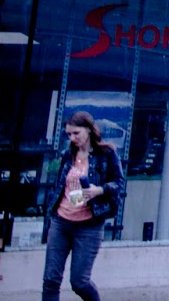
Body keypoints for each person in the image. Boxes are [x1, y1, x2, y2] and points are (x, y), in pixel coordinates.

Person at [42, 110, 124, 301]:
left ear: (88, 130)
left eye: (76, 133)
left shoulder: (106, 154)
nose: (72, 138)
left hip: (89, 225)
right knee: (51, 279)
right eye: (69, 134)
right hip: (62, 221)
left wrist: (100, 189)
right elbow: (60, 185)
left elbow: (119, 183)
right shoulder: (67, 154)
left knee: (79, 281)